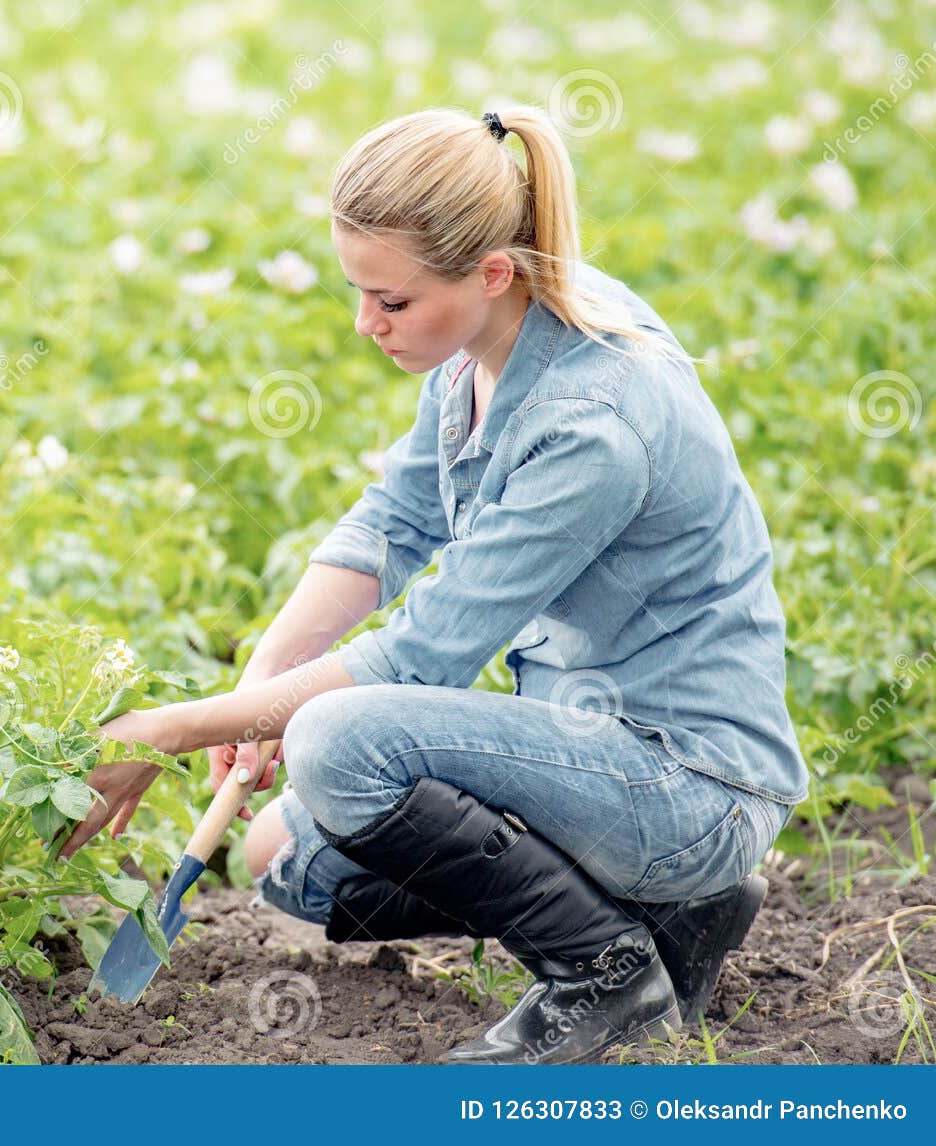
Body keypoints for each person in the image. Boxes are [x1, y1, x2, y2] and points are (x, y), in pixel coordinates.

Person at [56, 105, 809, 1064]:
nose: (366, 324)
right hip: (596, 747)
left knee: (334, 737)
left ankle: (605, 971)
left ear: (492, 272)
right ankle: (676, 915)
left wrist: (172, 727)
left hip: (686, 782)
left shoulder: (593, 423)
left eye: (393, 301)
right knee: (281, 860)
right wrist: (266, 675)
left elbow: (421, 653)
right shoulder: (486, 339)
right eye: (358, 291)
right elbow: (396, 520)